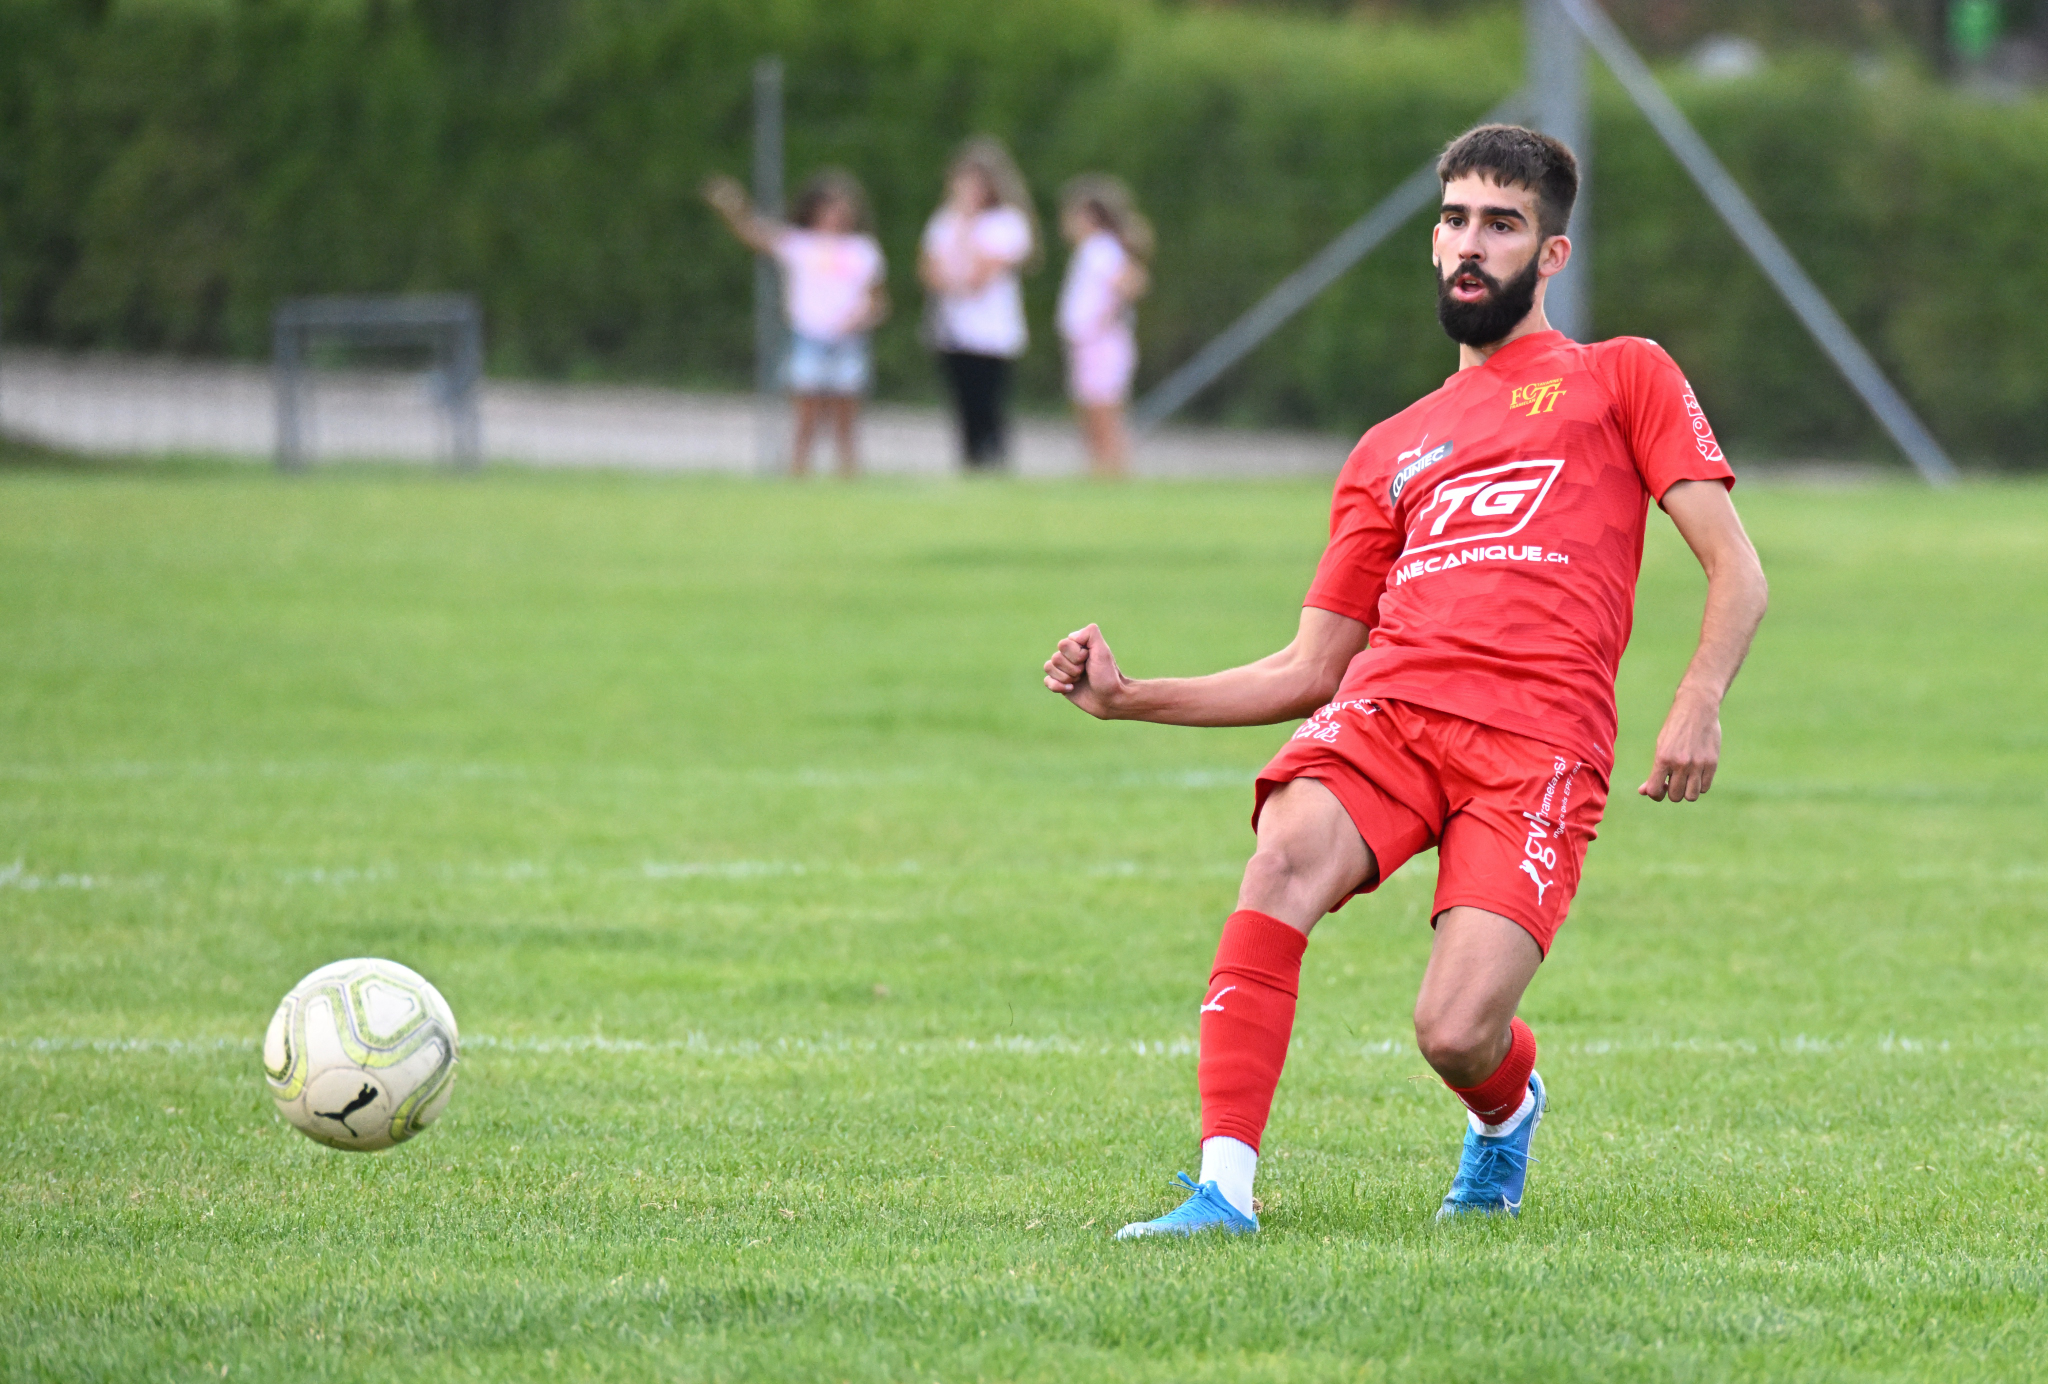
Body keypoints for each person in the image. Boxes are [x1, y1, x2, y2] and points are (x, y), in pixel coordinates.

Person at [1042, 124, 1768, 1236]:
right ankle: (1222, 1191)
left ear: (1550, 255)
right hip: (1388, 714)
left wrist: (1697, 698)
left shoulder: (1621, 375)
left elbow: (1736, 567)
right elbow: (1309, 668)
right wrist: (1131, 696)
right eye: (1455, 220)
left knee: (1455, 1031)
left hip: (1539, 744)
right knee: (1282, 853)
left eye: (1501, 224)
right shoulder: (1389, 447)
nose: (1470, 243)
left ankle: (1505, 1108)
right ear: (1434, 242)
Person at [704, 168, 888, 477]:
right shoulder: (800, 244)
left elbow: (878, 301)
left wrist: (861, 317)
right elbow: (754, 234)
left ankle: (848, 477)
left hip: (848, 340)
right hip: (809, 337)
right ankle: (798, 476)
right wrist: (734, 207)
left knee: (845, 422)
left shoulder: (863, 250)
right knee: (806, 419)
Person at [919, 137, 1038, 470]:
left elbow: (980, 276)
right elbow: (930, 271)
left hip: (992, 331)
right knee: (963, 402)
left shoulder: (1007, 223)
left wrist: (967, 227)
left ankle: (994, 460)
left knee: (989, 401)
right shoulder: (944, 221)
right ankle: (970, 461)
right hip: (953, 328)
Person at [1057, 175, 1152, 477]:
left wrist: (1106, 317)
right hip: (1091, 342)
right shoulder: (1095, 250)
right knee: (1091, 410)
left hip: (1100, 343)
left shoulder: (1100, 249)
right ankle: (1102, 469)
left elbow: (1131, 283)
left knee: (1103, 412)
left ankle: (1110, 470)